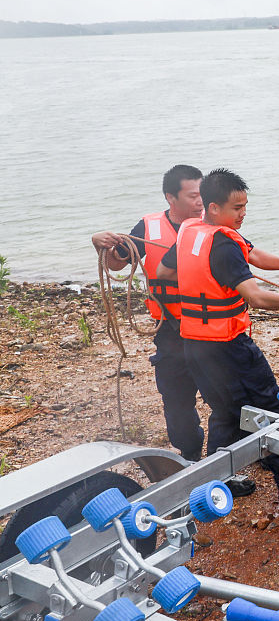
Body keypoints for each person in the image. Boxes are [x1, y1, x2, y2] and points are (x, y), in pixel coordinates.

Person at [156, 168, 279, 500]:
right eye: (236, 208)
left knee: (224, 412)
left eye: (245, 206)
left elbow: (166, 270)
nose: (243, 213)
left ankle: (216, 483)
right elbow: (256, 297)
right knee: (274, 410)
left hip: (194, 344)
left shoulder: (191, 231)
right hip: (229, 348)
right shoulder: (222, 245)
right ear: (213, 208)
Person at [91, 165, 206, 461]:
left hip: (212, 325)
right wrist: (99, 245)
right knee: (176, 400)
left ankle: (229, 456)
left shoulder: (214, 223)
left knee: (226, 395)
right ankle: (191, 457)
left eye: (202, 194)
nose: (201, 201)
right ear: (171, 197)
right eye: (193, 195)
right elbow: (117, 264)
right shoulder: (148, 227)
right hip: (169, 328)